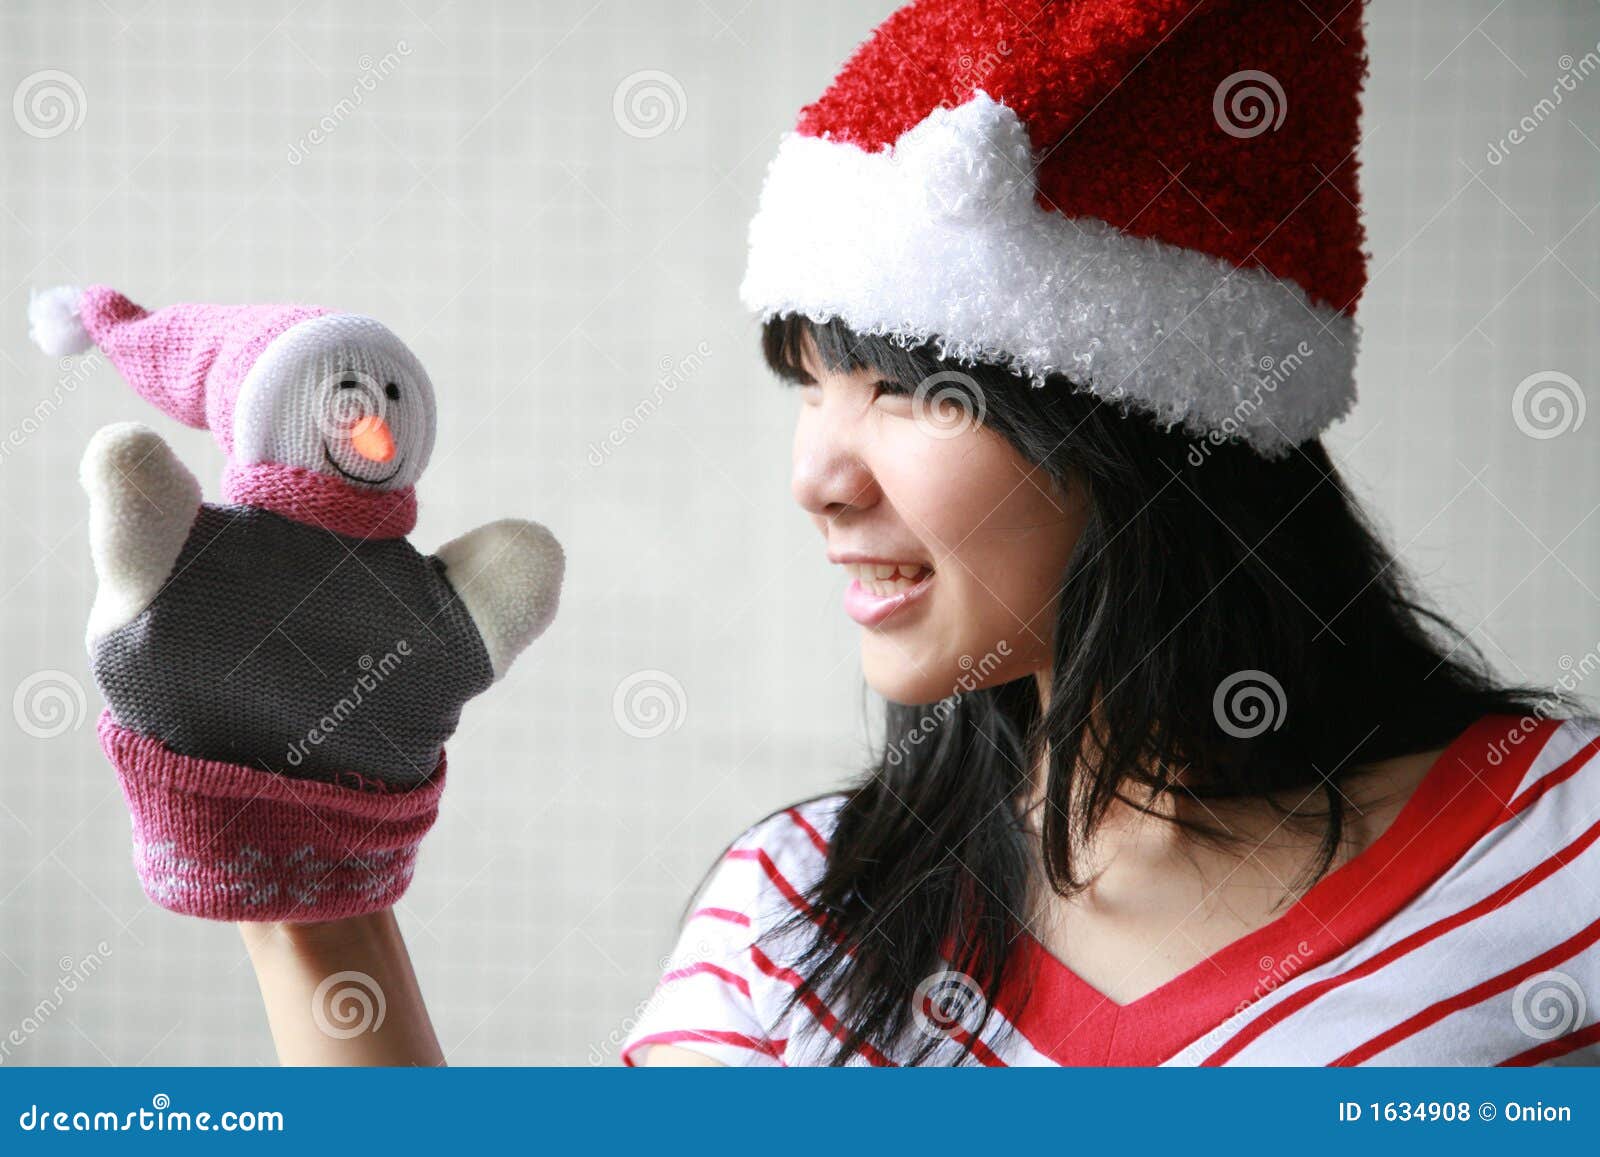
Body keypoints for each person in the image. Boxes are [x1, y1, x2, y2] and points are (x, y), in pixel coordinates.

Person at [139, 0, 1600, 1066]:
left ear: (1151, 422)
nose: (817, 474)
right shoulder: (791, 922)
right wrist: (311, 888)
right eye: (811, 380)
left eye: (910, 388)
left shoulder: (1557, 865)